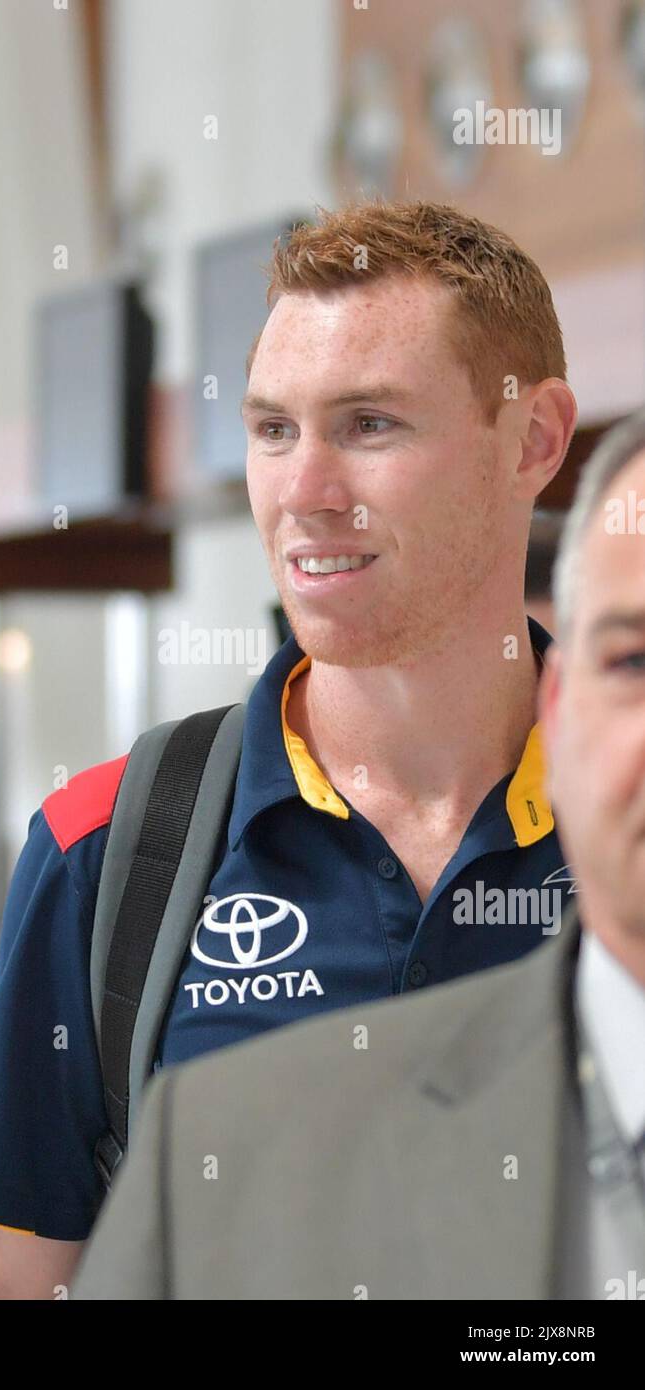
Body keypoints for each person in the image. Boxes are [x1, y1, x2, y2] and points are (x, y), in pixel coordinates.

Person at [0, 200, 578, 1298]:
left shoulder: (619, 829)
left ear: (535, 440)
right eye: (272, 430)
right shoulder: (113, 849)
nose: (303, 494)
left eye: (369, 425)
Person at [71, 407, 645, 1300]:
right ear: (561, 712)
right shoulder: (233, 1155)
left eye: (373, 425)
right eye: (634, 662)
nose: (309, 489)